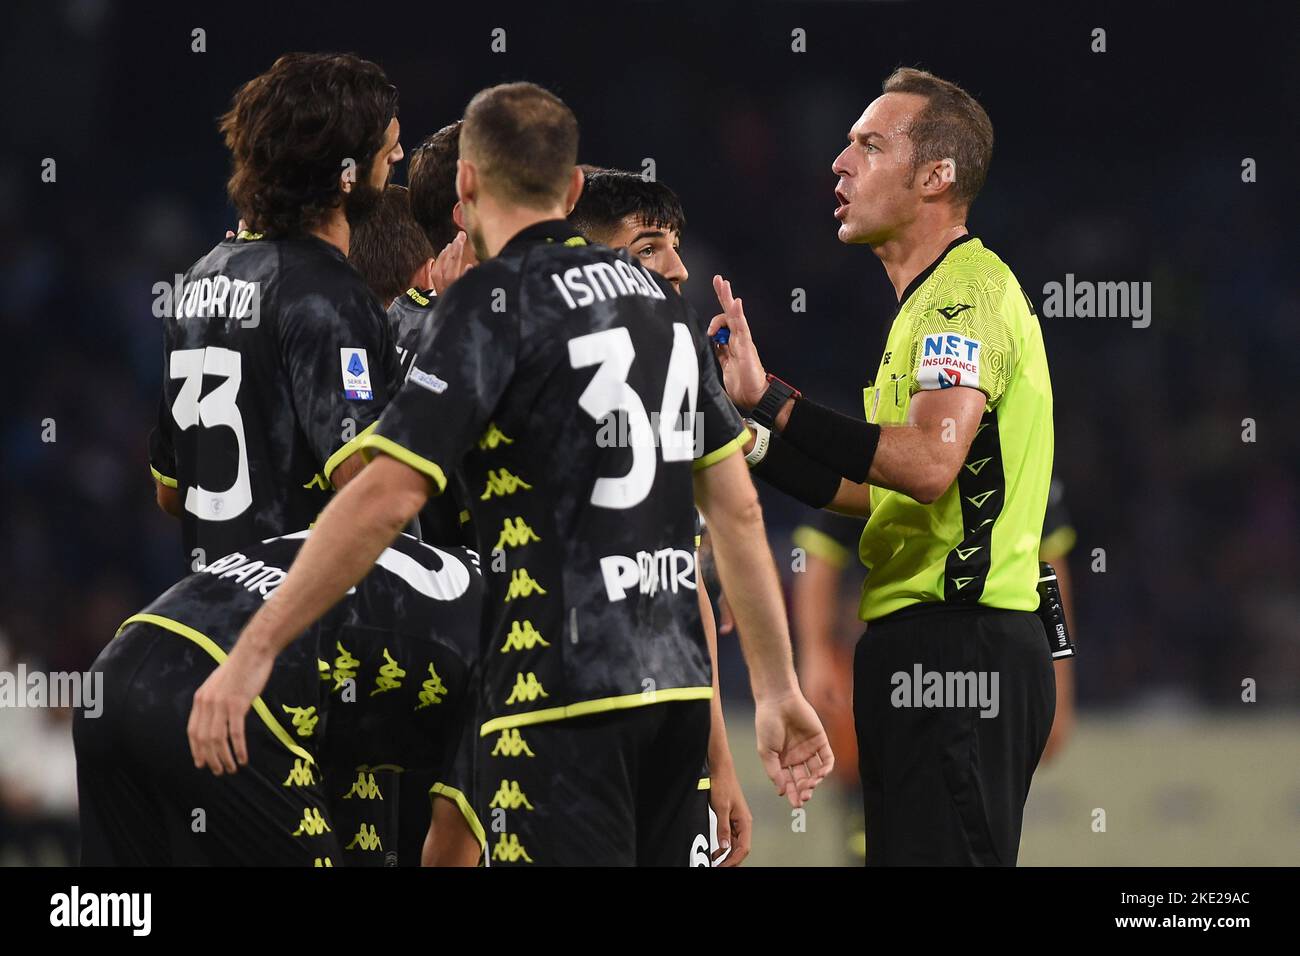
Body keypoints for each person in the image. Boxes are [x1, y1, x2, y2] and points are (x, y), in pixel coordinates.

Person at [188, 81, 831, 867]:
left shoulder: (487, 306)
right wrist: (776, 690)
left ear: (465, 187)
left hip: (555, 699)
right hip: (675, 700)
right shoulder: (660, 306)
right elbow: (735, 513)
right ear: (569, 190)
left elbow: (384, 496)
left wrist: (253, 651)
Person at [710, 68, 1054, 865]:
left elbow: (929, 464)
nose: (839, 162)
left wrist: (775, 399)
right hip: (922, 644)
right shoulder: (923, 307)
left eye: (869, 145)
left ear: (937, 176)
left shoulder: (964, 296)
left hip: (963, 648)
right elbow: (878, 493)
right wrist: (747, 433)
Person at [74, 530, 484, 867]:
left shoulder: (469, 579)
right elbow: (453, 846)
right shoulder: (527, 658)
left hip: (116, 666)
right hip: (230, 690)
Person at [148, 53, 404, 569]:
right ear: (346, 174)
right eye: (388, 145)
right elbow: (368, 484)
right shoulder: (328, 294)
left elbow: (171, 493)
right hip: (306, 630)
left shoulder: (199, 278)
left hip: (211, 613)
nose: (398, 155)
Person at [570, 167, 751, 865]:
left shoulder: (667, 371)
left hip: (668, 721)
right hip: (565, 720)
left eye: (673, 246)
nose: (677, 269)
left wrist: (722, 763)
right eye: (648, 248)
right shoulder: (528, 371)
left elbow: (682, 583)